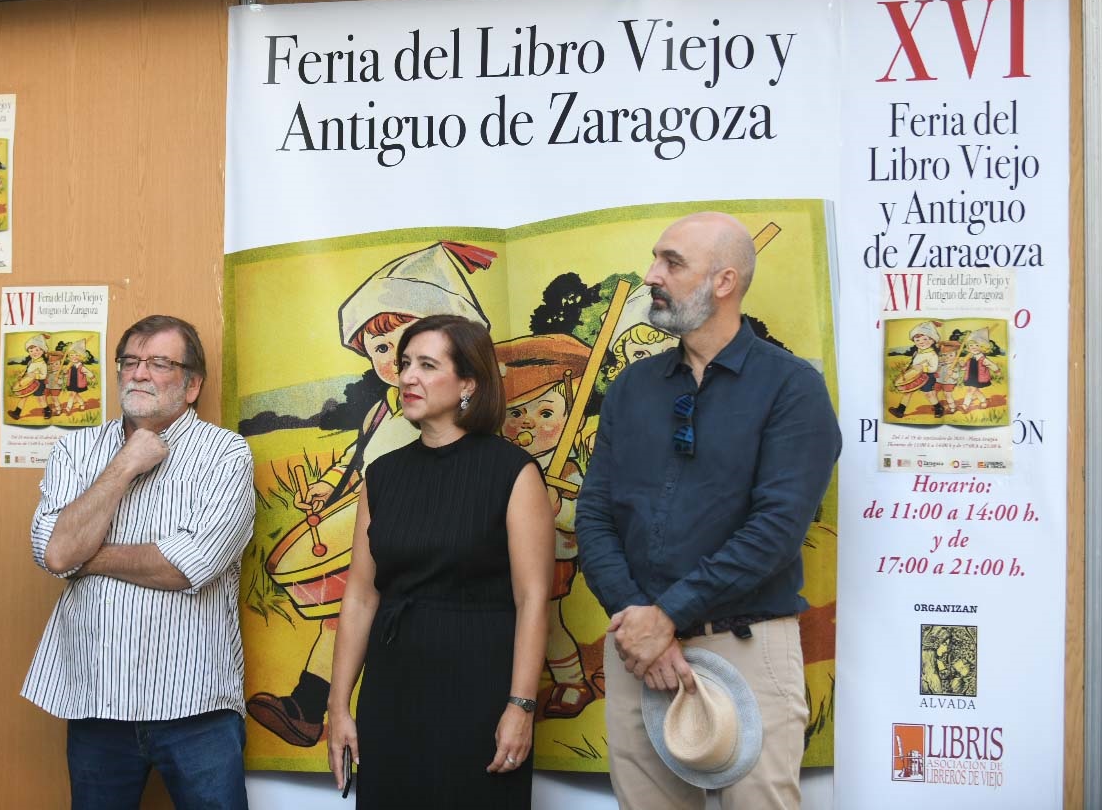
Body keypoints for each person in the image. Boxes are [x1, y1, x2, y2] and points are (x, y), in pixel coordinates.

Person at [574, 212, 839, 810]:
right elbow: (593, 515)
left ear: (723, 282)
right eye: (655, 259)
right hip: (636, 649)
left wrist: (668, 615)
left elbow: (775, 531)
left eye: (672, 262)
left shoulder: (791, 389)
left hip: (743, 644)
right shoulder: (631, 388)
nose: (651, 275)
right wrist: (637, 619)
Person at [248, 240, 494, 748]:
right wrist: (326, 485)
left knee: (341, 619)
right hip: (370, 533)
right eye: (381, 351)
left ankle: (310, 705)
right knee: (342, 614)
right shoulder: (384, 410)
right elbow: (356, 459)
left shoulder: (468, 448)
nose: (396, 364)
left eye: (408, 349)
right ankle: (316, 707)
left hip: (419, 566)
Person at [23, 315, 255, 810]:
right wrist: (125, 463)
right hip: (95, 700)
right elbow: (58, 553)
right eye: (130, 362)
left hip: (196, 706)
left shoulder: (226, 454)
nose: (139, 374)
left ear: (192, 385)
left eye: (159, 363)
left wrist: (90, 556)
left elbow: (189, 565)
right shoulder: (76, 449)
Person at [325, 314, 553, 809]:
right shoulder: (382, 475)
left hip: (480, 690)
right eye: (406, 363)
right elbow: (362, 596)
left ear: (469, 382)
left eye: (427, 365)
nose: (407, 376)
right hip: (393, 691)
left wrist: (520, 705)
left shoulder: (513, 473)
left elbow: (534, 598)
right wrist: (338, 706)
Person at [495, 332, 598, 719]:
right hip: (504, 560)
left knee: (548, 621)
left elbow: (583, 518)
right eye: (516, 414)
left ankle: (572, 681)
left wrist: (558, 508)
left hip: (550, 558)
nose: (529, 425)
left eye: (546, 413)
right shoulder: (500, 463)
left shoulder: (565, 469)